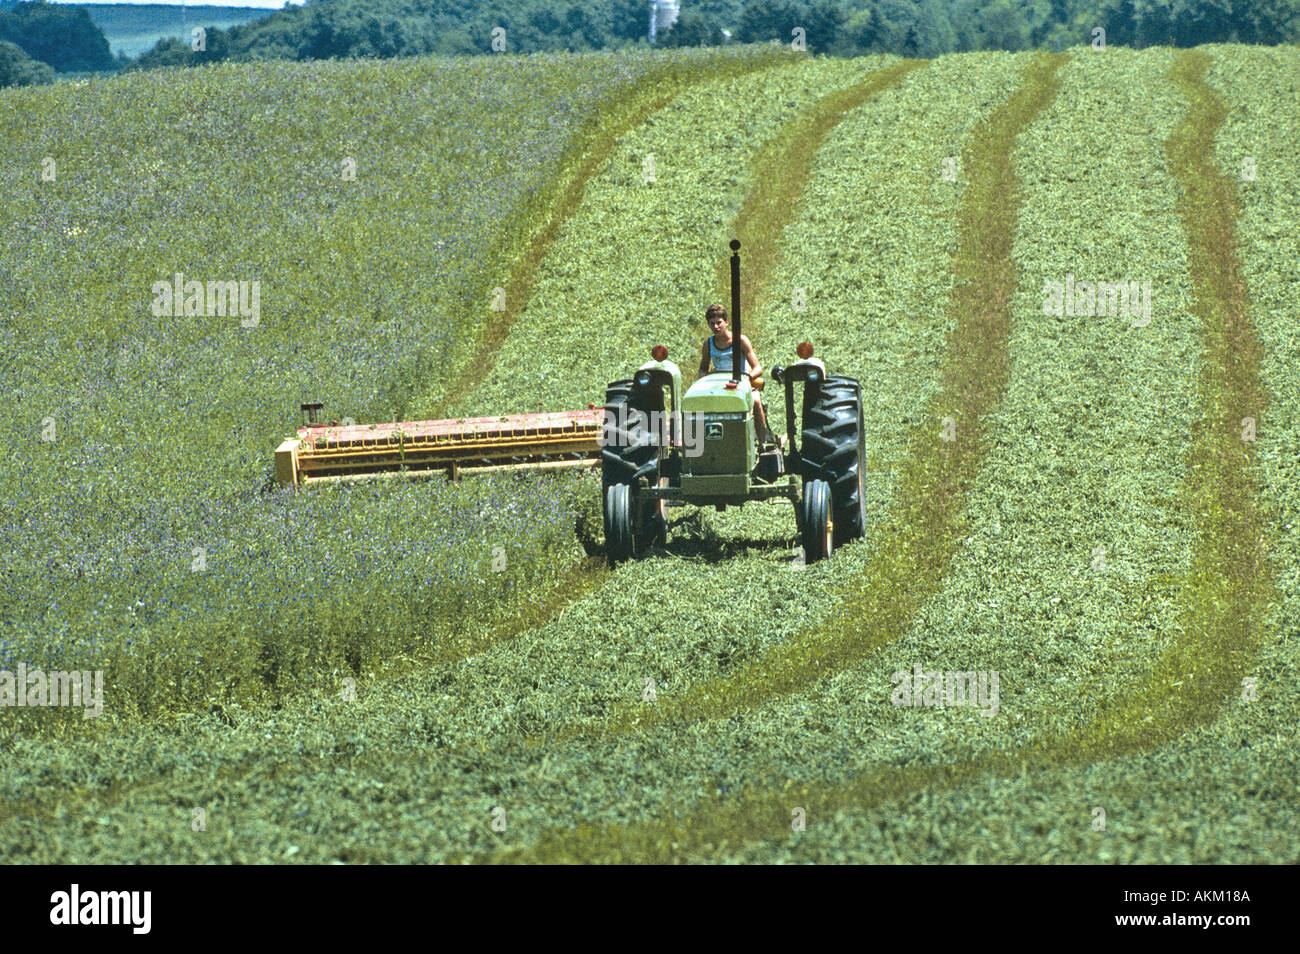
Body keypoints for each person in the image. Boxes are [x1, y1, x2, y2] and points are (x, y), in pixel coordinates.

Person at [698, 303, 772, 442]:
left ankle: (763, 442)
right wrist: (704, 378)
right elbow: (702, 369)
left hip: (741, 382)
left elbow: (757, 368)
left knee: (755, 401)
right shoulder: (708, 344)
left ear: (726, 322)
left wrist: (747, 378)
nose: (716, 327)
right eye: (712, 324)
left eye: (719, 323)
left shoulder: (740, 340)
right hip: (718, 385)